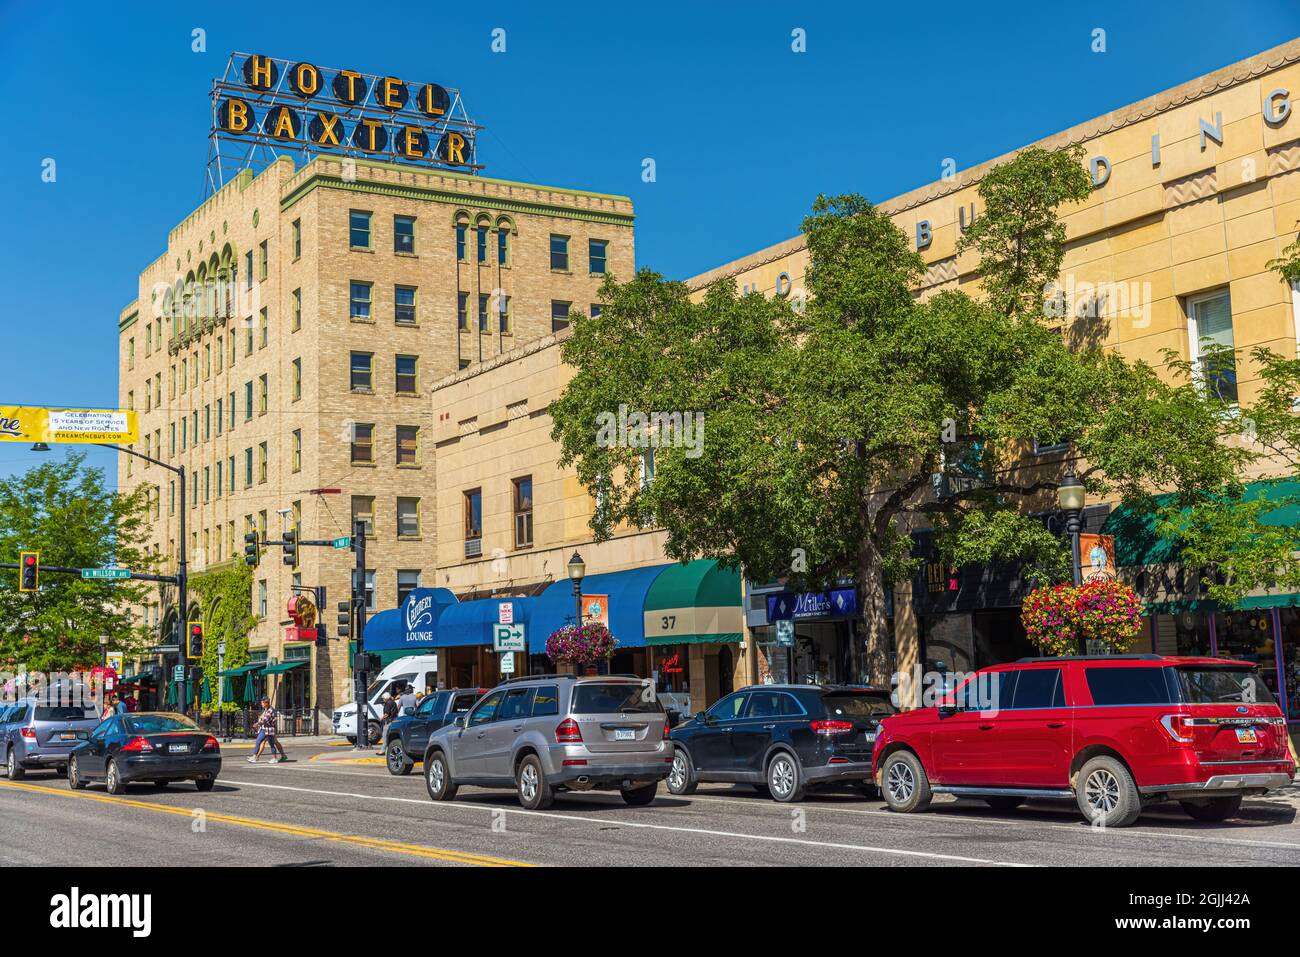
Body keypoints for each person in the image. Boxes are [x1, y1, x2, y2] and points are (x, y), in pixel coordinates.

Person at [248, 696, 288, 764]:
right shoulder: (267, 709)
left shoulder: (270, 710)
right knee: (268, 743)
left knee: (265, 742)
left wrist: (257, 724)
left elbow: (265, 719)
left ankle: (256, 757)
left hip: (268, 729)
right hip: (267, 729)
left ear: (266, 703)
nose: (261, 704)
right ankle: (257, 756)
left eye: (262, 703)